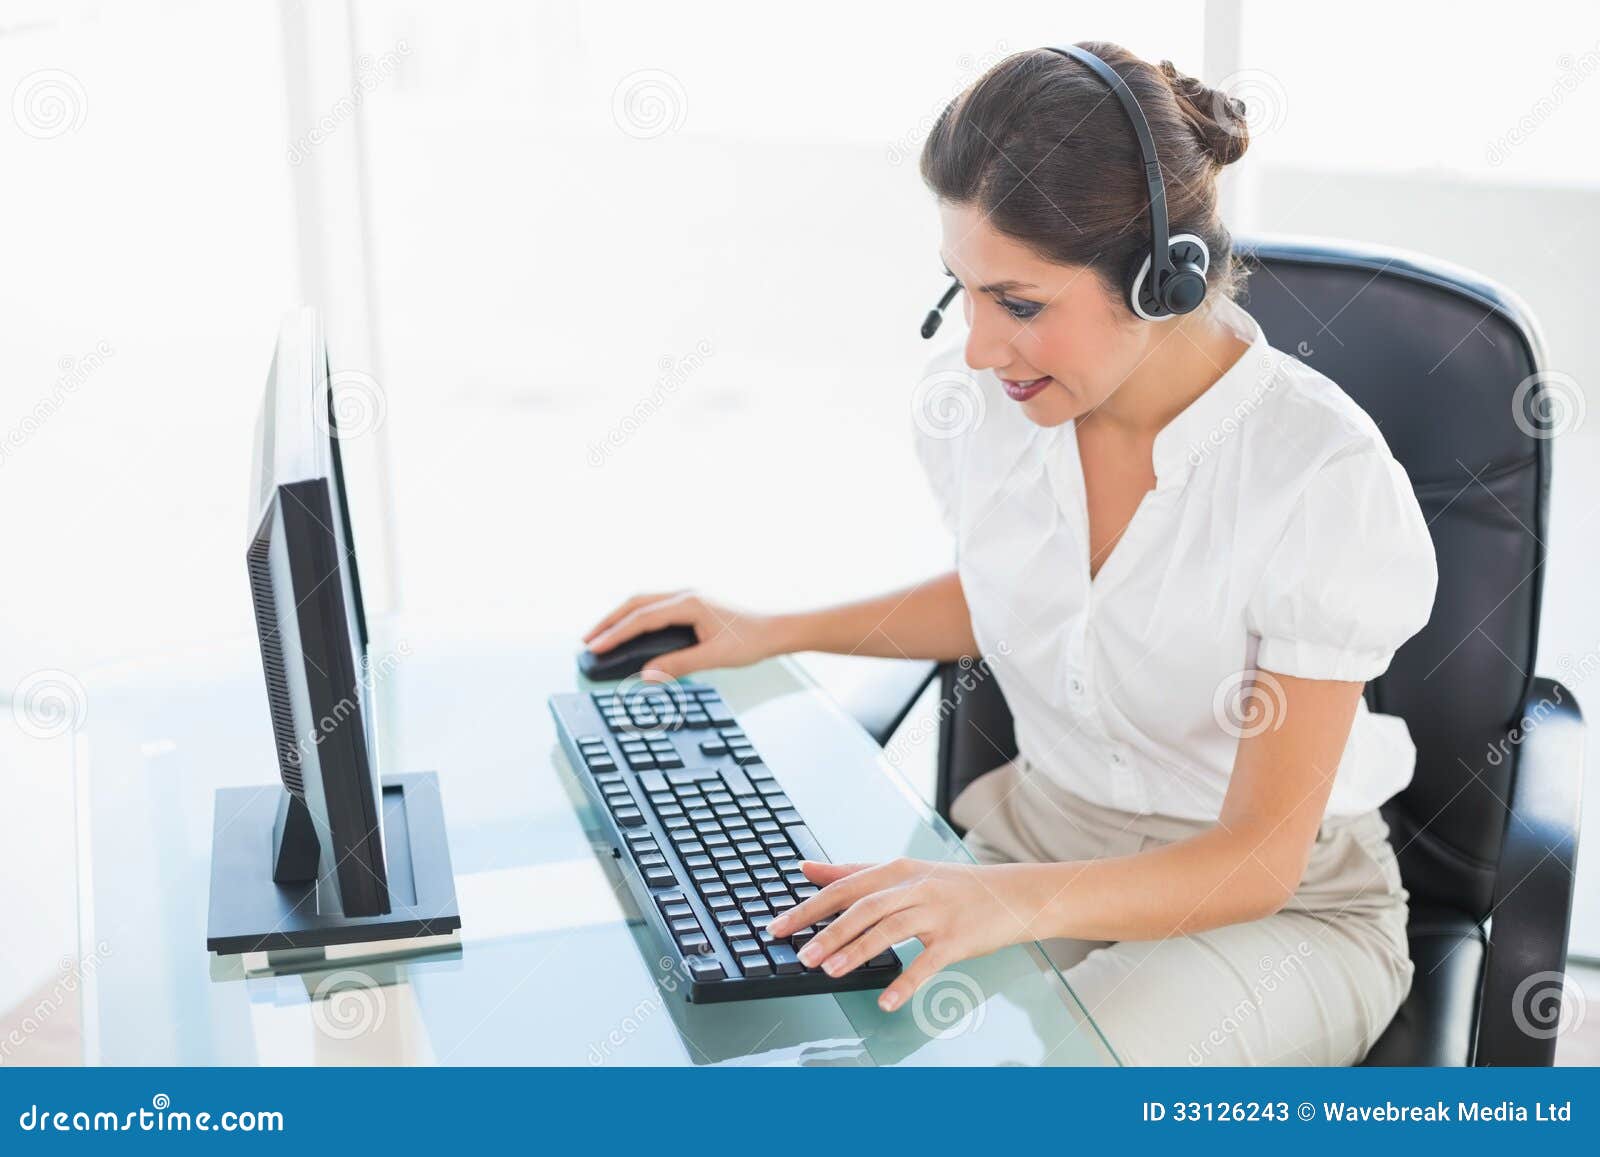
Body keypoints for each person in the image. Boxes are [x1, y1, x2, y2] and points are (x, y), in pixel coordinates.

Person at [581, 42, 1437, 1065]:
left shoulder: (1317, 475)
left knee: (1059, 1078)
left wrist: (998, 899)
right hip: (1039, 843)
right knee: (811, 1041)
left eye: (1019, 303)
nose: (980, 347)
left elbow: (1255, 857)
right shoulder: (983, 409)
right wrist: (773, 628)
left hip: (1274, 910)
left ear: (1166, 280)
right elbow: (1016, 594)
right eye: (965, 290)